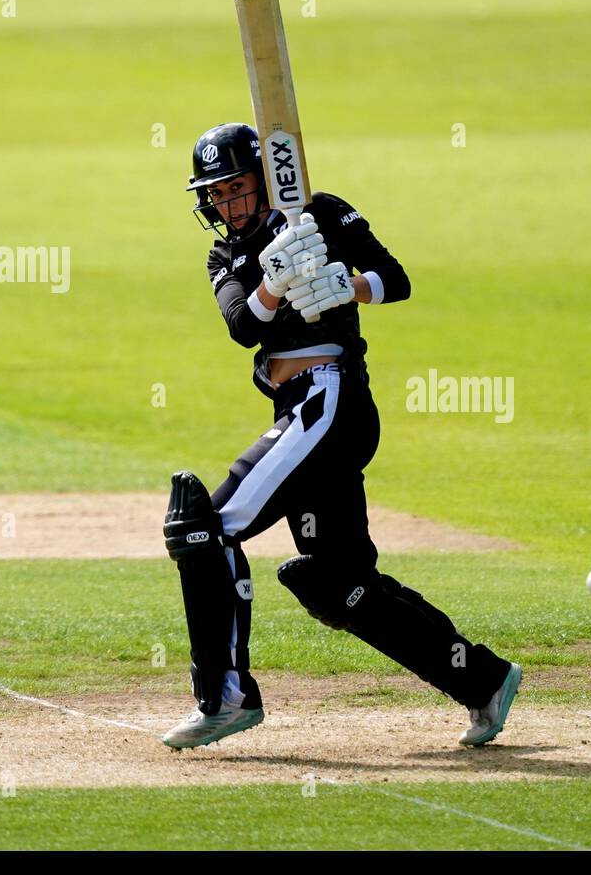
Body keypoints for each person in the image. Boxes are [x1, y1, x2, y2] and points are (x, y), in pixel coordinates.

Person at [161, 122, 521, 750]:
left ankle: (225, 696)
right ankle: (483, 680)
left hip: (330, 398)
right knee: (339, 583)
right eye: (215, 194)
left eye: (237, 188)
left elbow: (395, 277)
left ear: (266, 179)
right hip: (301, 411)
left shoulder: (319, 212)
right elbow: (244, 326)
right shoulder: (225, 257)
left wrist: (345, 285)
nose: (227, 204)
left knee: (204, 528)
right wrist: (275, 278)